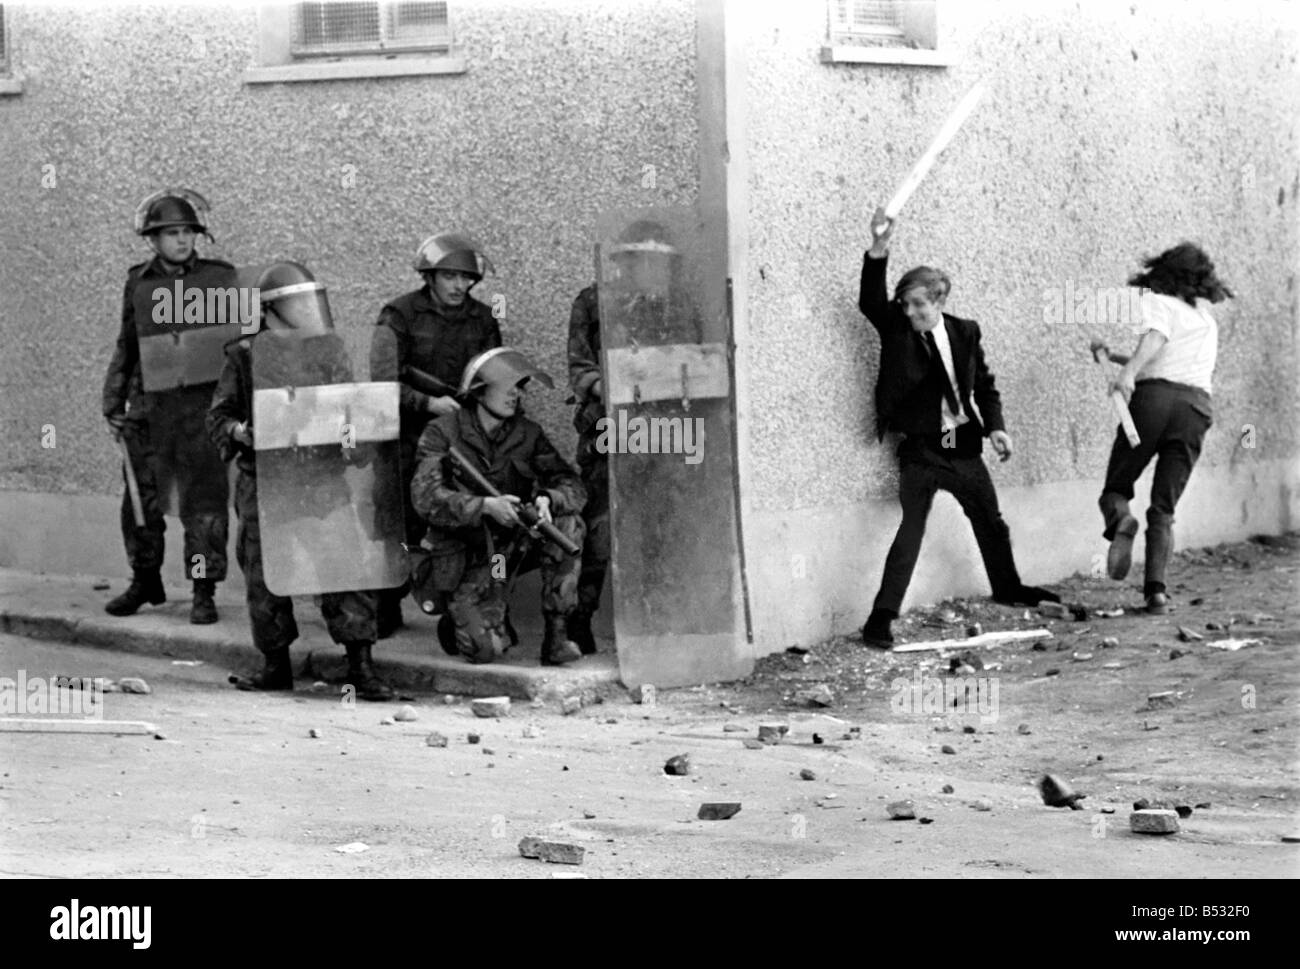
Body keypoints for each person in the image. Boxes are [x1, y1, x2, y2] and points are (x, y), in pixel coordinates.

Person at [857, 208, 1059, 649]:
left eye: (919, 304)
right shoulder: (897, 329)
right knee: (911, 528)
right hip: (922, 447)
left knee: (990, 520)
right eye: (905, 304)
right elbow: (871, 301)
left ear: (940, 300)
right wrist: (878, 247)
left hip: (961, 443)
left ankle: (1008, 588)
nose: (910, 312)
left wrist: (997, 429)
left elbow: (984, 386)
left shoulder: (966, 332)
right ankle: (880, 619)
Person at [207, 262, 394, 700]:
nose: (308, 311)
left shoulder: (328, 350)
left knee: (344, 566)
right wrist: (241, 432)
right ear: (272, 310)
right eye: (297, 303)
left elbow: (345, 407)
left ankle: (360, 666)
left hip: (321, 476)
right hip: (266, 480)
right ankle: (275, 665)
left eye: (311, 301)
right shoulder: (244, 355)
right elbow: (218, 415)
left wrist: (355, 438)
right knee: (266, 573)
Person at [102, 189, 233, 624]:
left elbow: (236, 347)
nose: (181, 241)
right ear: (152, 240)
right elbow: (128, 344)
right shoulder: (138, 282)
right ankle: (145, 580)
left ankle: (203, 589)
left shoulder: (219, 278)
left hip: (199, 410)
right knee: (142, 501)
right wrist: (112, 399)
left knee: (204, 505)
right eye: (170, 234)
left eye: (187, 232)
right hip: (149, 409)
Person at [410, 348, 586, 666]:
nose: (516, 394)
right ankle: (466, 620)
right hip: (470, 554)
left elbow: (571, 484)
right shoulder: (442, 432)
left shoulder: (527, 434)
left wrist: (548, 497)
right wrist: (485, 506)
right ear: (480, 391)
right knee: (486, 651)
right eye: (508, 385)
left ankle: (557, 637)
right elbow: (425, 498)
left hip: (510, 550)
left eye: (520, 387)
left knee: (568, 523)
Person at [370, 233, 502, 637]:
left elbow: (495, 374)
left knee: (456, 519)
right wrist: (427, 404)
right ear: (429, 276)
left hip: (460, 437)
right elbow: (382, 382)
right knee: (396, 520)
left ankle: (456, 609)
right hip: (405, 437)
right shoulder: (399, 315)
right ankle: (387, 602)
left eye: (466, 278)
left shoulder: (481, 319)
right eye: (449, 276)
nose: (459, 286)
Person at [1092, 243, 1231, 614]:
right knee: (1163, 507)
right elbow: (1170, 357)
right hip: (1195, 408)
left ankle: (1121, 520)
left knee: (1116, 488)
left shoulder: (1158, 303)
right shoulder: (1204, 317)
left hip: (1153, 402)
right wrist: (1117, 358)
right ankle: (1156, 592)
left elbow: (1156, 339)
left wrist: (1127, 373)